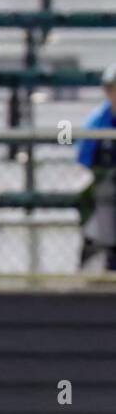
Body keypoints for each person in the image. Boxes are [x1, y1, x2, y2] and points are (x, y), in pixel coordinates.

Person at [77, 62, 116, 271]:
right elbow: (84, 158)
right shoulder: (98, 121)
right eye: (112, 88)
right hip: (105, 183)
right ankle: (106, 253)